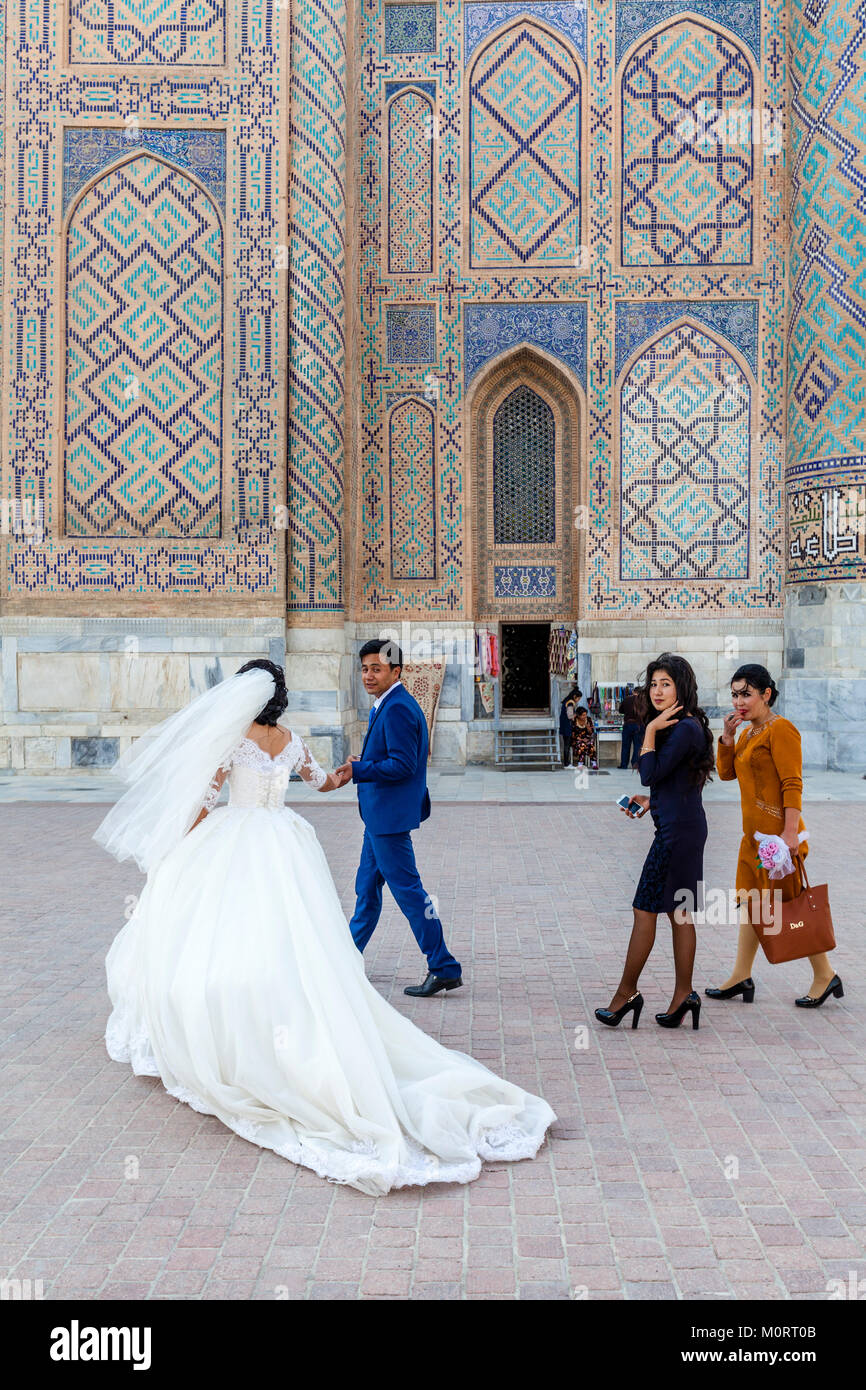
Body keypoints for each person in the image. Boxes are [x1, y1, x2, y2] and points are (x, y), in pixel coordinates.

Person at [94, 660, 555, 1195]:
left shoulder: (232, 738)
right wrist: (344, 773)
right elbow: (319, 783)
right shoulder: (290, 740)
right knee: (286, 928)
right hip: (282, 838)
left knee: (224, 924)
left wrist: (184, 839)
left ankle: (230, 1010)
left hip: (235, 837)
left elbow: (206, 798)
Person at [705, 664, 843, 1009]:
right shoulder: (750, 733)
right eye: (735, 694)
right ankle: (740, 975)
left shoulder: (781, 730)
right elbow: (724, 774)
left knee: (792, 907)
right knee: (752, 905)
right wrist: (726, 739)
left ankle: (825, 975)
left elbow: (792, 783)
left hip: (779, 844)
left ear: (766, 694)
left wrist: (790, 833)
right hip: (753, 840)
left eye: (746, 694)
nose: (739, 701)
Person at [334, 641, 463, 998]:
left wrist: (360, 769)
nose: (369, 675)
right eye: (364, 668)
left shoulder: (398, 708)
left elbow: (404, 765)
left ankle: (443, 967)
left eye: (377, 668)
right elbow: (391, 757)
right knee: (366, 891)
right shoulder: (388, 705)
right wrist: (366, 761)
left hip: (388, 820)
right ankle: (345, 958)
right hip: (379, 817)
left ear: (396, 671)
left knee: (409, 894)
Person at [595, 654, 714, 1031]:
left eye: (666, 683)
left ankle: (627, 995)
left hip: (677, 835)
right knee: (679, 913)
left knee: (646, 910)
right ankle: (683, 996)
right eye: (654, 683)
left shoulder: (683, 728)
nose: (658, 690)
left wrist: (647, 733)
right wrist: (652, 803)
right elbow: (669, 781)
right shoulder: (683, 726)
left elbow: (648, 773)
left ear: (682, 687)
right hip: (682, 827)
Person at [618, 686, 642, 770]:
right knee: (637, 746)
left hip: (628, 724)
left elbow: (620, 710)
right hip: (639, 725)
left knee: (625, 745)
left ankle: (624, 764)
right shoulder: (643, 701)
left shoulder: (627, 699)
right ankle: (635, 764)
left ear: (633, 692)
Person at [558, 685, 582, 767]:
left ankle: (566, 763)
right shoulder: (570, 703)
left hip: (564, 725)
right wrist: (577, 714)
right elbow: (570, 716)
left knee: (566, 745)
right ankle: (566, 764)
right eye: (578, 699)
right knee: (567, 745)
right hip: (567, 726)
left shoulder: (567, 701)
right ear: (575, 696)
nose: (578, 701)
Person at [572, 705, 597, 769]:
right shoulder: (574, 720)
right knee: (582, 745)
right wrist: (581, 739)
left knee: (591, 744)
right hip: (577, 739)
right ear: (578, 715)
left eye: (585, 714)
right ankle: (580, 764)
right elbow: (573, 734)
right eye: (583, 715)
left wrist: (588, 727)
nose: (585, 716)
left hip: (587, 738)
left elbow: (591, 732)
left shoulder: (588, 719)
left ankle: (594, 763)